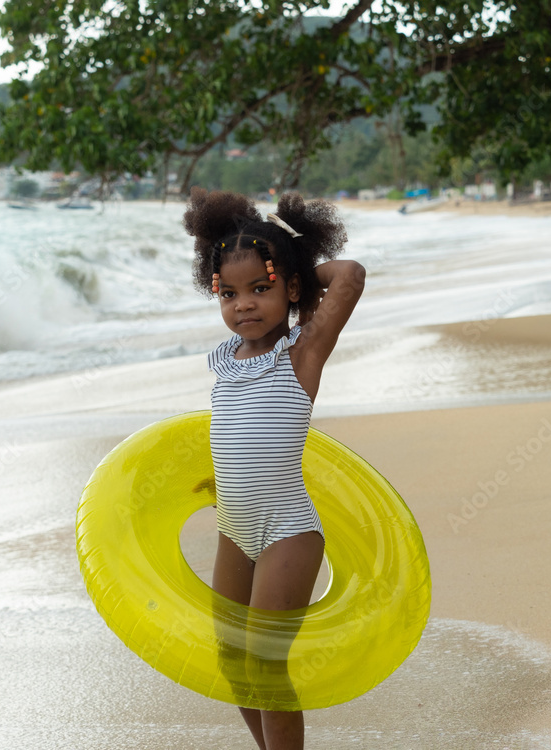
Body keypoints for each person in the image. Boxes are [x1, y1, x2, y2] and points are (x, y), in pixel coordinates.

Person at [183, 188, 365, 750]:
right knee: (233, 661)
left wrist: (295, 267)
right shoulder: (222, 361)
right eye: (229, 292)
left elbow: (350, 274)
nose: (245, 304)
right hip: (235, 528)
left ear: (288, 289)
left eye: (261, 288)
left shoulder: (302, 352)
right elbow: (239, 432)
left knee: (266, 665)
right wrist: (222, 482)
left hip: (287, 528)